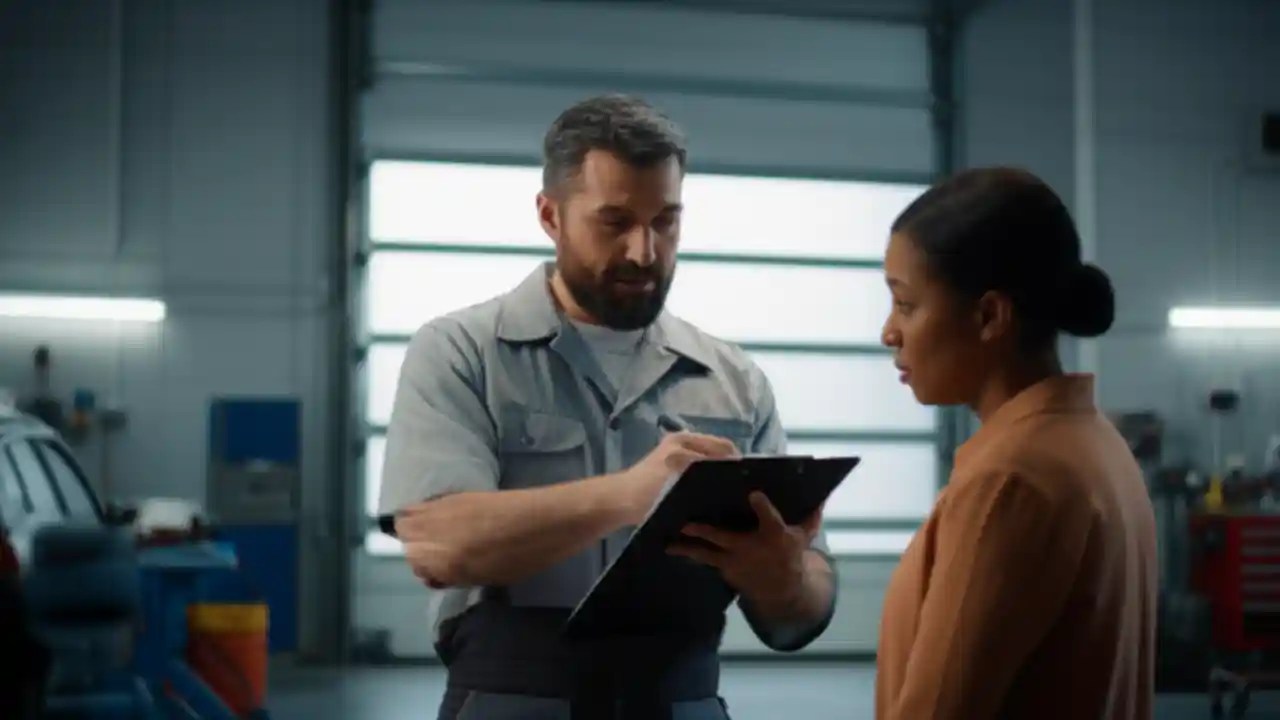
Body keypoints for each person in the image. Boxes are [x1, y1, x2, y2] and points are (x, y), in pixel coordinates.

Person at [379, 95, 837, 720]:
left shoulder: (734, 380)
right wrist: (631, 494)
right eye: (614, 221)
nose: (644, 252)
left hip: (684, 698)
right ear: (550, 215)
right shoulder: (462, 353)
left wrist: (781, 579)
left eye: (665, 222)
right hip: (513, 698)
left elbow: (803, 613)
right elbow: (439, 547)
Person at [875, 167, 1157, 719]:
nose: (889, 331)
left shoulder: (1010, 481)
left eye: (906, 305)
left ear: (989, 316)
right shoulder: (1096, 445)